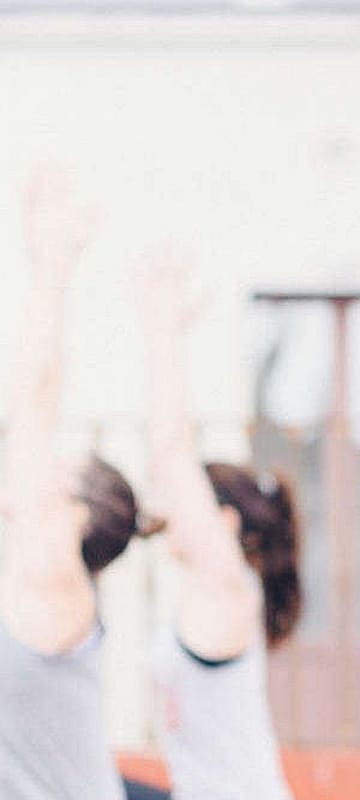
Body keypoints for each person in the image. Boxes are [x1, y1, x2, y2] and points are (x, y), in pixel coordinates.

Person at [0, 167, 159, 800]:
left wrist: (53, 266)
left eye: (51, 466)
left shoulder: (54, 588)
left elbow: (33, 400)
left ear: (73, 516)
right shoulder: (25, 582)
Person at [137, 245, 299, 800]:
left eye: (188, 506)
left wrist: (163, 337)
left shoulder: (229, 584)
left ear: (223, 522)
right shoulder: (217, 590)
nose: (170, 513)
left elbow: (170, 451)